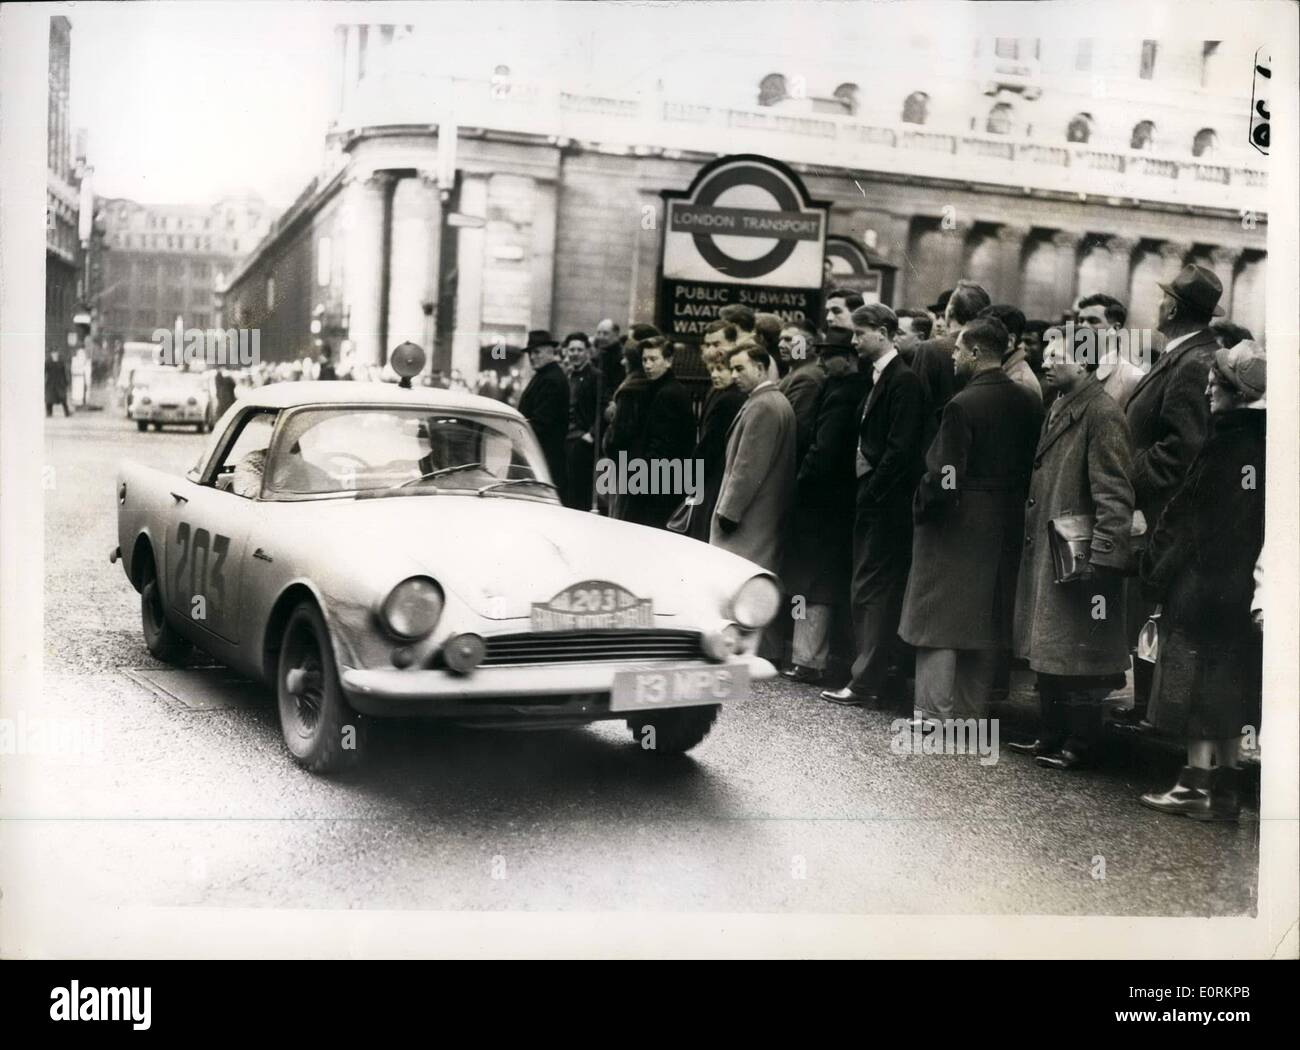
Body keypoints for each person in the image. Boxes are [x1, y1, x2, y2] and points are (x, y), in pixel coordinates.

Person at [1138, 341, 1265, 822]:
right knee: (1227, 683)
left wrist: (1164, 569)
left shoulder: (1228, 442)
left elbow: (1200, 519)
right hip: (1236, 585)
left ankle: (1193, 785)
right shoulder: (1260, 443)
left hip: (1205, 583)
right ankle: (1226, 790)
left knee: (1194, 683)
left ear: (1234, 391)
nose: (1209, 387)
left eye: (1217, 381)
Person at [898, 317, 1044, 724]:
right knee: (983, 620)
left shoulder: (962, 404)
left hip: (957, 520)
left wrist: (924, 507)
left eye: (959, 349)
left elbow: (946, 475)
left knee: (937, 619)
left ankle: (932, 713)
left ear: (977, 353)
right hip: (1005, 517)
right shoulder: (1029, 400)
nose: (955, 356)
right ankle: (969, 714)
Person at [1008, 322, 1135, 770]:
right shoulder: (1062, 404)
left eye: (1055, 353)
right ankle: (1052, 734)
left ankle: (1079, 743)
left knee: (1078, 651)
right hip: (1057, 550)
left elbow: (1115, 492)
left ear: (1084, 361)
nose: (1045, 359)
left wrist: (1103, 557)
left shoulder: (1102, 413)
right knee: (1052, 645)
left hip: (1079, 556)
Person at [1120, 263, 1223, 728]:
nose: (1157, 303)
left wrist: (1131, 475)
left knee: (1158, 611)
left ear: (1174, 307)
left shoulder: (1194, 361)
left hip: (1162, 511)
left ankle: (1155, 718)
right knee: (1150, 612)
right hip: (1155, 508)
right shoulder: (1182, 354)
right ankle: (1146, 710)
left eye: (1164, 296)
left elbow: (1183, 448)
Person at [821, 304, 926, 708]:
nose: (853, 341)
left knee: (873, 591)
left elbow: (900, 451)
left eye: (859, 334)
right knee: (867, 590)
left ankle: (866, 681)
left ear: (882, 333)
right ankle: (869, 677)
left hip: (884, 507)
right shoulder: (883, 378)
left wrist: (872, 493)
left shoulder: (903, 382)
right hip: (874, 502)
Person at [782, 327, 867, 684]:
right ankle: (811, 656)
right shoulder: (845, 387)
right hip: (836, 501)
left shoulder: (841, 393)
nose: (820, 358)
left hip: (821, 501)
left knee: (812, 582)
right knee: (817, 581)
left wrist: (801, 480)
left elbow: (824, 447)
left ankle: (807, 659)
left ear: (846, 358)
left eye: (827, 353)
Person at [710, 341, 797, 574]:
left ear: (759, 368)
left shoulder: (763, 406)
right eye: (733, 369)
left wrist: (728, 514)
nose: (734, 375)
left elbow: (747, 468)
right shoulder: (774, 401)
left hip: (748, 522)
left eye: (740, 369)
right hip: (761, 517)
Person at [621, 336, 695, 529]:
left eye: (653, 359)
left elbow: (662, 447)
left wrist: (639, 483)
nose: (647, 365)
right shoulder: (661, 389)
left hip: (657, 487)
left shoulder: (667, 394)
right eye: (645, 360)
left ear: (668, 361)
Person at [911, 281, 991, 443]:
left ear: (950, 311)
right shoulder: (991, 347)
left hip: (935, 446)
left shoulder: (930, 349)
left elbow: (915, 407)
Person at [685, 344, 746, 543]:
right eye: (711, 370)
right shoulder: (723, 394)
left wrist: (692, 476)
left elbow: (709, 443)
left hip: (715, 473)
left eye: (720, 369)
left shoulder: (727, 400)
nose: (714, 374)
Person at [517, 330, 570, 497]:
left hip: (544, 457)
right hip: (540, 455)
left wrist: (518, 435)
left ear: (550, 351)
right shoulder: (545, 376)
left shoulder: (551, 380)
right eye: (530, 353)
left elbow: (542, 423)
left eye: (536, 352)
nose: (532, 357)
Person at [1076, 293, 1142, 408]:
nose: (1083, 326)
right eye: (1080, 320)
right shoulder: (1071, 367)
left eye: (1093, 321)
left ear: (1116, 328)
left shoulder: (1132, 377)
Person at [777, 318, 826, 460]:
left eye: (788, 339)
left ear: (809, 344)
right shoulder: (798, 371)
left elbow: (796, 431)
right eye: (780, 339)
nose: (781, 345)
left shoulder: (806, 377)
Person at [562, 332, 600, 510]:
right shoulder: (567, 375)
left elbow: (603, 409)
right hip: (564, 441)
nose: (575, 353)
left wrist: (591, 434)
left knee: (579, 496)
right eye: (571, 350)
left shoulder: (596, 376)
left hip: (581, 444)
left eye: (579, 349)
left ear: (587, 352)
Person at [980, 303, 1042, 402]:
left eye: (987, 336)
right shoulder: (1005, 372)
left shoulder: (1019, 382)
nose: (979, 342)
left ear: (1010, 341)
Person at [45, 349, 71, 417]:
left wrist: (66, 382)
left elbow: (64, 372)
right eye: (53, 353)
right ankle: (49, 413)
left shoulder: (61, 362)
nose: (55, 355)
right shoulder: (47, 362)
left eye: (56, 353)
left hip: (60, 383)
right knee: (49, 399)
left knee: (63, 398)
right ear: (51, 354)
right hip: (51, 383)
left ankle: (67, 412)